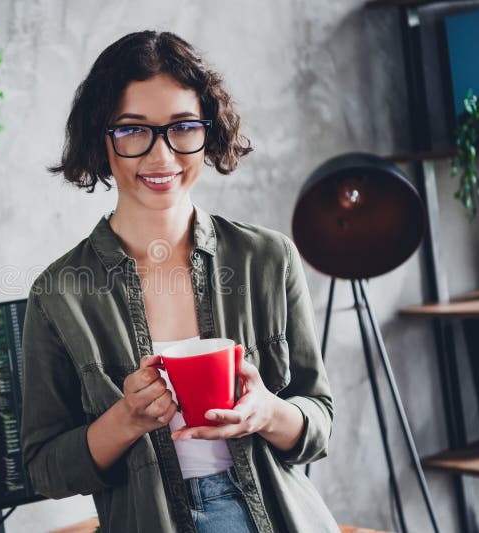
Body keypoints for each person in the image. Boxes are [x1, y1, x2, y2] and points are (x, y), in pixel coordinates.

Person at [19, 30, 337, 533]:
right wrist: (125, 419)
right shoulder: (59, 294)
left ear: (207, 132)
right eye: (133, 130)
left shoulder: (268, 259)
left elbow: (318, 423)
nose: (162, 157)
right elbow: (44, 469)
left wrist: (266, 414)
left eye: (183, 127)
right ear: (101, 141)